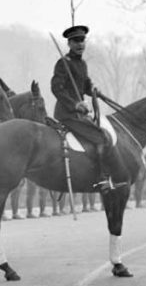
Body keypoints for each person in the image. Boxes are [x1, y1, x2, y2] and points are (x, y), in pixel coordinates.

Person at [50, 24, 119, 190]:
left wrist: (93, 90)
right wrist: (75, 104)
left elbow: (85, 85)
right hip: (67, 114)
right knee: (101, 137)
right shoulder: (63, 63)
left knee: (103, 134)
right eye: (76, 41)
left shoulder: (82, 64)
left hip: (79, 115)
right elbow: (56, 88)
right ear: (69, 44)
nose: (80, 44)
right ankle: (102, 178)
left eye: (82, 40)